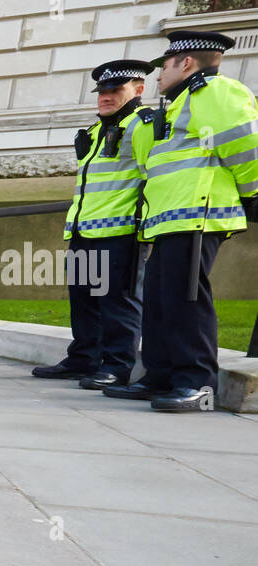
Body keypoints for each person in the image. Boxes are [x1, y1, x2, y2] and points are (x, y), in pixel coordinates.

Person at [104, 31, 258, 412]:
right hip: (171, 219)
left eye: (164, 67)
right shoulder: (180, 103)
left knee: (187, 300)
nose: (158, 76)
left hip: (198, 215)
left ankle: (196, 383)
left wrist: (253, 194)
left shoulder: (215, 93)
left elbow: (246, 145)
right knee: (160, 300)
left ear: (185, 62)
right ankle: (159, 377)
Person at [32, 60, 155, 389]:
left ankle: (117, 366)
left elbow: (153, 176)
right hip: (85, 230)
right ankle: (83, 358)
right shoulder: (95, 132)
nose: (106, 96)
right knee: (84, 300)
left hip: (120, 232)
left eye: (116, 90)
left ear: (138, 90)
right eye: (102, 90)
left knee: (117, 303)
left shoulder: (142, 126)